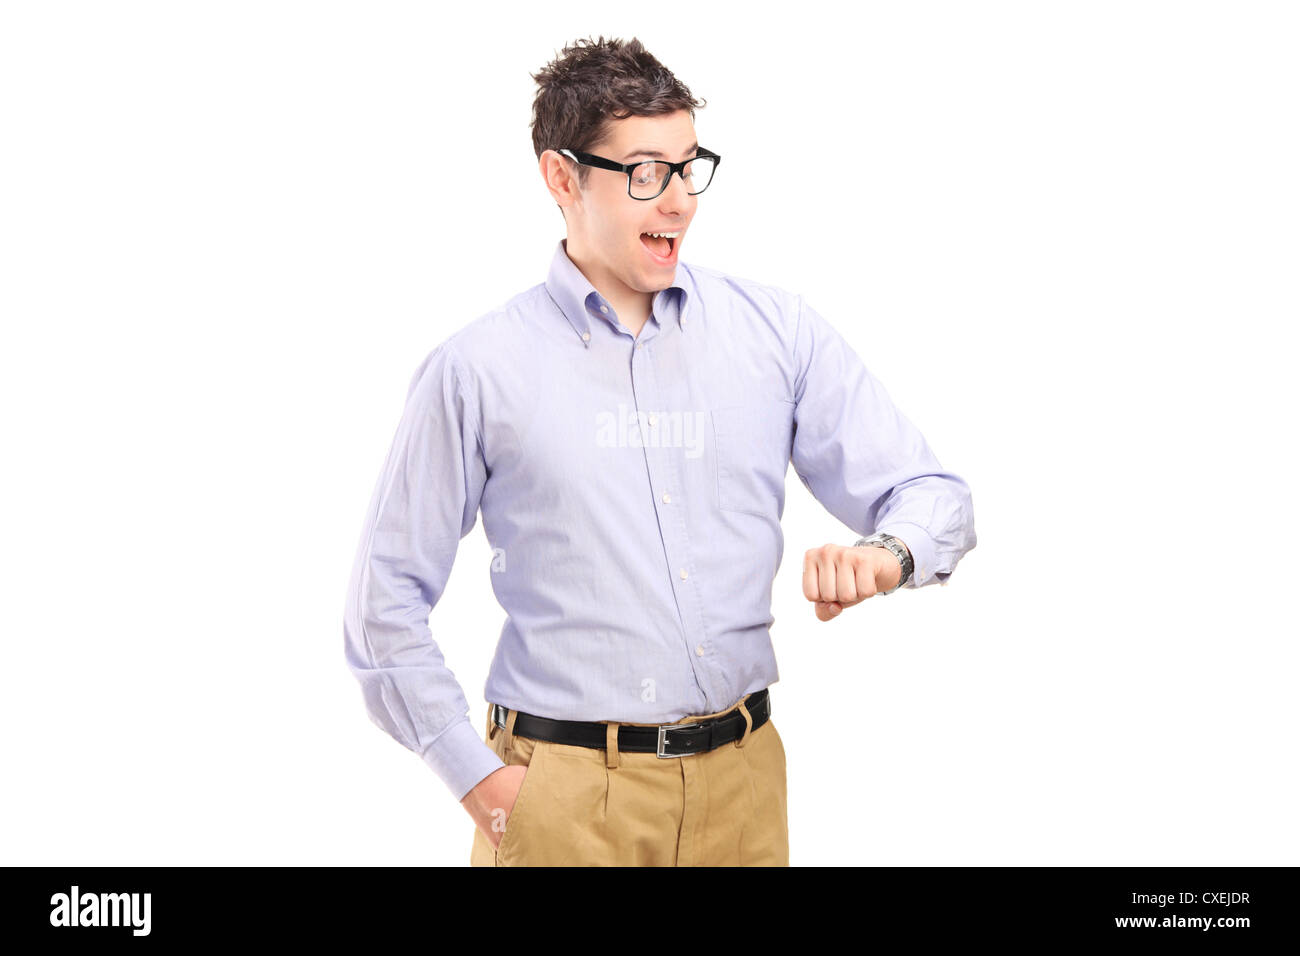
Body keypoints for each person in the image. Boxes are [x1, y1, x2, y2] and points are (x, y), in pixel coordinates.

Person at [342, 35, 977, 867]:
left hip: (745, 790)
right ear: (561, 177)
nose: (678, 200)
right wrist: (484, 787)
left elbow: (933, 493)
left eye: (688, 167)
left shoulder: (775, 331)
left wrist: (888, 556)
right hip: (564, 801)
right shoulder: (476, 370)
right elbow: (383, 604)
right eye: (645, 172)